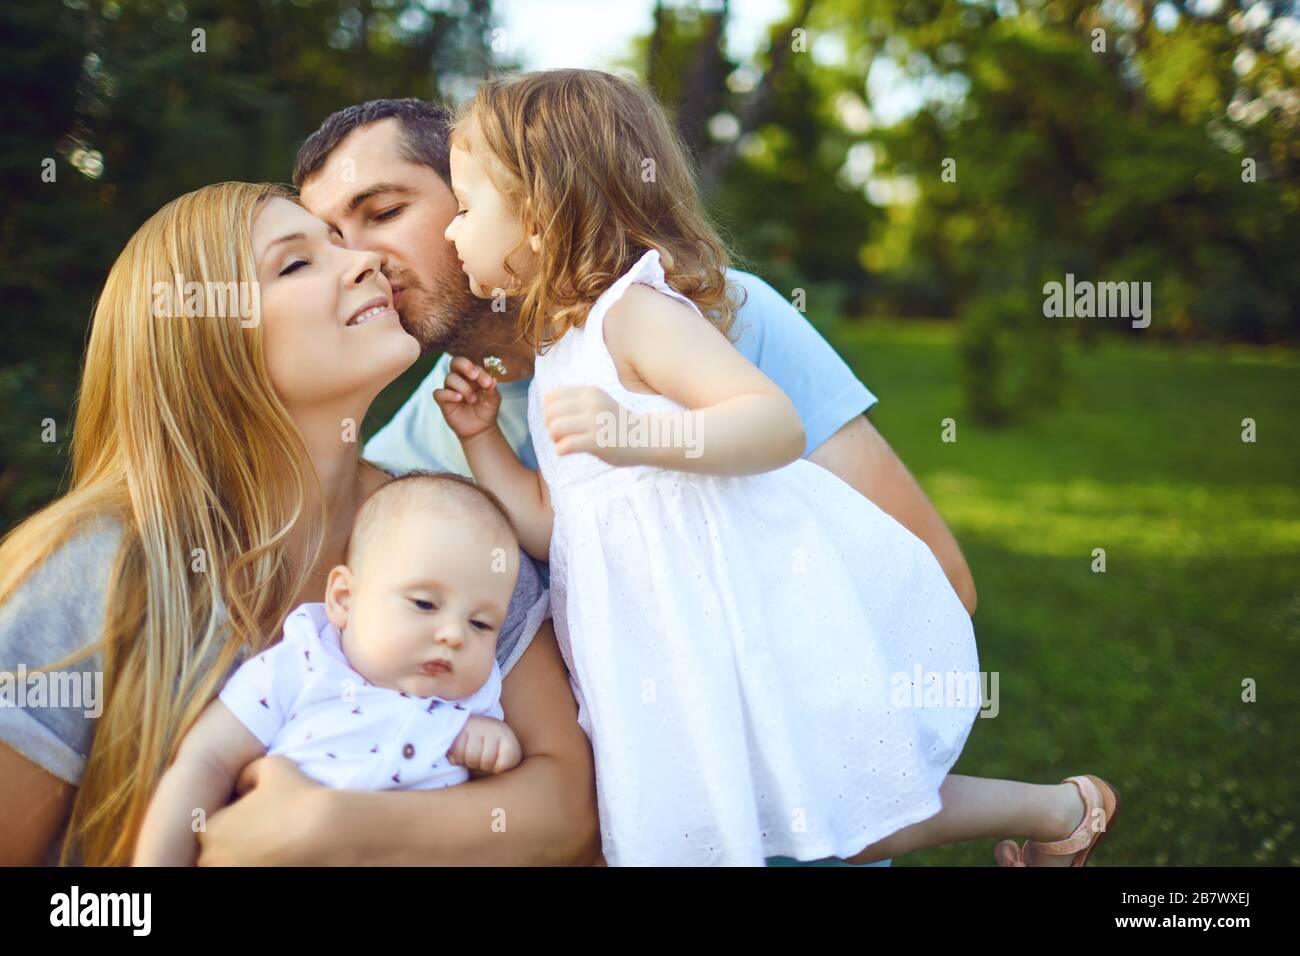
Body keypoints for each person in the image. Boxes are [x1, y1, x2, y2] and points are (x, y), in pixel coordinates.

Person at [435, 68, 1120, 866]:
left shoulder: (635, 315)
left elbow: (771, 421)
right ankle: (1058, 811)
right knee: (703, 823)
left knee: (853, 809)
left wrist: (634, 432)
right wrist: (481, 440)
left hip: (741, 628)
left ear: (538, 214)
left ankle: (1063, 810)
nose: (450, 232)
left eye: (464, 207)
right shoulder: (561, 355)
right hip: (660, 662)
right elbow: (555, 522)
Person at [293, 94, 976, 868]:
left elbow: (942, 581)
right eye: (330, 240)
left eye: (382, 212)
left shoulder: (710, 317)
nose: (357, 259)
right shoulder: (418, 452)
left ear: (498, 192)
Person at [0, 184, 596, 866]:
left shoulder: (450, 529)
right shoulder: (95, 569)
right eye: (295, 263)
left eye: (341, 242)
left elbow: (569, 809)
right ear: (207, 338)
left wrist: (337, 827)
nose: (365, 261)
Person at [133, 473, 526, 866]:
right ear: (344, 598)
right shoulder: (303, 665)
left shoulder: (471, 701)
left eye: (481, 624)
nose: (455, 635)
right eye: (424, 604)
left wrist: (492, 748)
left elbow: (498, 804)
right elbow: (207, 760)